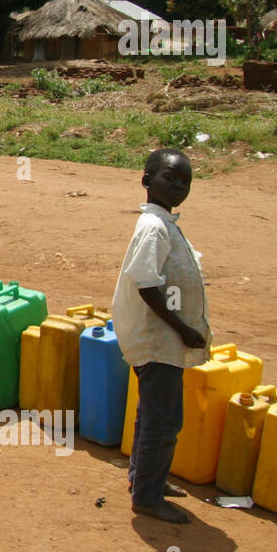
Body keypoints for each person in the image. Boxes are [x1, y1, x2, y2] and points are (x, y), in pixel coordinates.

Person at [112, 148, 211, 525]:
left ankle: (145, 480)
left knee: (152, 414)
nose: (180, 186)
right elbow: (146, 285)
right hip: (158, 340)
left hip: (161, 339)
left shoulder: (164, 222)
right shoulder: (153, 227)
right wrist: (184, 329)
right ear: (147, 180)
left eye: (186, 181)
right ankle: (148, 496)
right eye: (171, 178)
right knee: (164, 421)